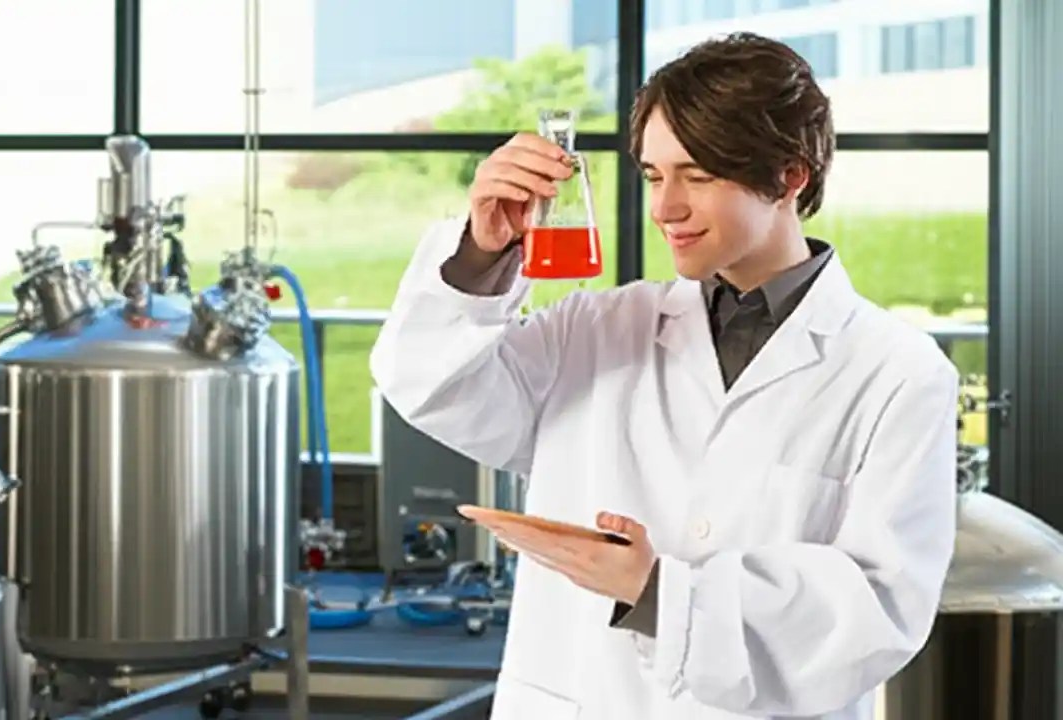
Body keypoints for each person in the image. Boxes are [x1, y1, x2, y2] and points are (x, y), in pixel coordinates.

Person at [369, 32, 958, 720]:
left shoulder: (898, 374)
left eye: (698, 176)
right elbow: (428, 385)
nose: (664, 208)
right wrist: (478, 254)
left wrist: (657, 591)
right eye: (654, 174)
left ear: (791, 175)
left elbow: (879, 608)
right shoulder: (596, 331)